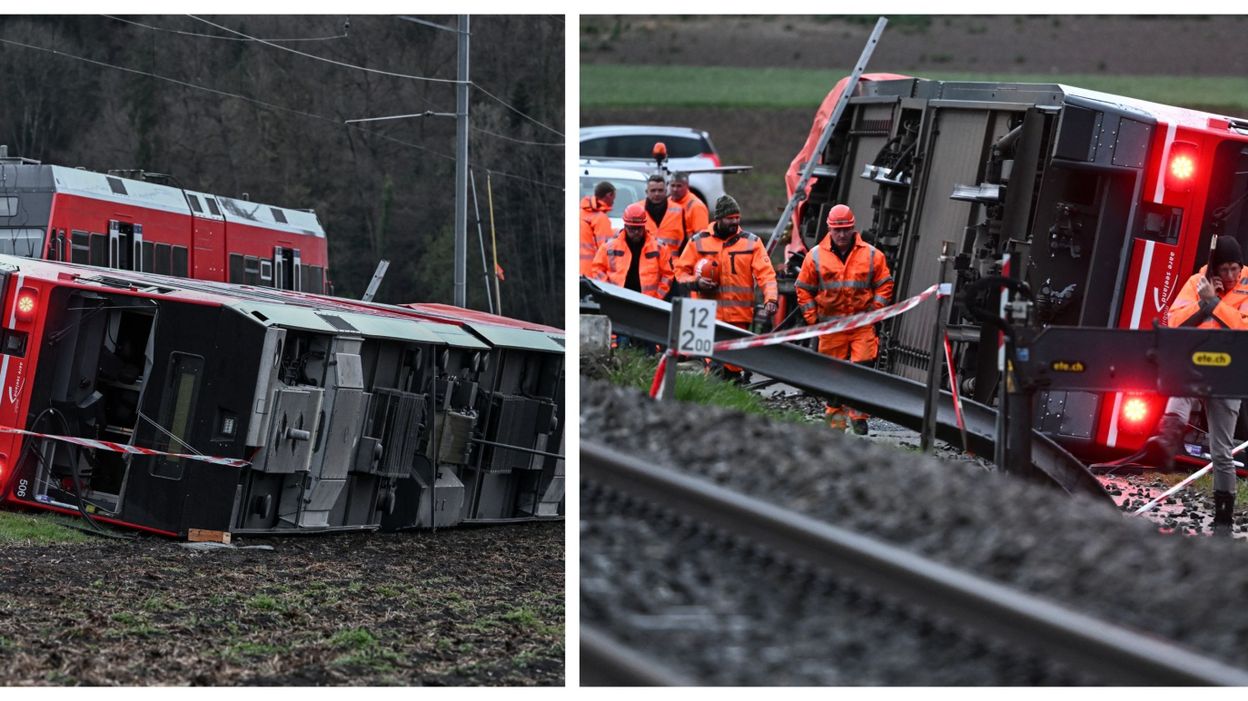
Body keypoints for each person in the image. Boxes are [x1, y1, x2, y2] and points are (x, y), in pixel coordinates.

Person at [1145, 235, 1248, 536]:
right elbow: (1175, 322)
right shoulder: (1196, 282)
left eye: (1235, 269)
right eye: (1225, 270)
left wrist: (1214, 303)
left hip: (1230, 372)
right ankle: (1167, 439)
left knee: (1221, 451)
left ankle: (1223, 522)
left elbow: (1243, 328)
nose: (1231, 277)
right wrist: (1204, 304)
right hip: (1199, 364)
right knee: (1180, 382)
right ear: (1214, 269)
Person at [794, 204, 894, 435]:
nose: (841, 234)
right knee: (833, 374)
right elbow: (803, 289)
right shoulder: (816, 256)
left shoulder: (871, 255)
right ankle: (835, 419)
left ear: (853, 228)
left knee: (863, 366)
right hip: (831, 325)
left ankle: (858, 416)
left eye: (846, 229)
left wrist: (874, 311)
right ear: (829, 228)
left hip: (861, 324)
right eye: (837, 230)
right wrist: (813, 319)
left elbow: (885, 284)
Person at [675, 194, 778, 383]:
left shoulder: (751, 242)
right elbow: (680, 272)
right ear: (719, 218)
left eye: (737, 218)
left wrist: (770, 299)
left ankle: (733, 401)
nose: (735, 222)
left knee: (734, 370)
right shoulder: (698, 241)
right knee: (712, 368)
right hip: (707, 317)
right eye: (730, 218)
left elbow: (766, 275)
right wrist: (697, 283)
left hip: (739, 316)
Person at [590, 203, 673, 301]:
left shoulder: (659, 247)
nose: (636, 232)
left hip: (648, 303)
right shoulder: (609, 246)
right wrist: (609, 292)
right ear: (625, 226)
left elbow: (668, 275)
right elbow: (597, 269)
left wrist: (656, 299)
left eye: (639, 228)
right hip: (617, 300)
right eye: (632, 229)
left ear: (644, 226)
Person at [636, 174, 686, 256]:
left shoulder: (678, 210)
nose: (657, 194)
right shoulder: (637, 209)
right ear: (646, 192)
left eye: (660, 190)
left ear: (666, 192)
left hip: (671, 264)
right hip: (646, 263)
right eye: (653, 190)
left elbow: (684, 242)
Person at [579, 181, 616, 276]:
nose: (613, 202)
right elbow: (607, 249)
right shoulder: (600, 218)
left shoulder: (581, 213)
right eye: (614, 198)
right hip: (592, 272)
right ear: (609, 195)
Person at [668, 172, 708, 255]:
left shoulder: (697, 206)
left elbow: (701, 237)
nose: (675, 189)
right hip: (667, 256)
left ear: (687, 186)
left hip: (687, 253)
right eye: (673, 186)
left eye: (679, 186)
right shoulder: (666, 203)